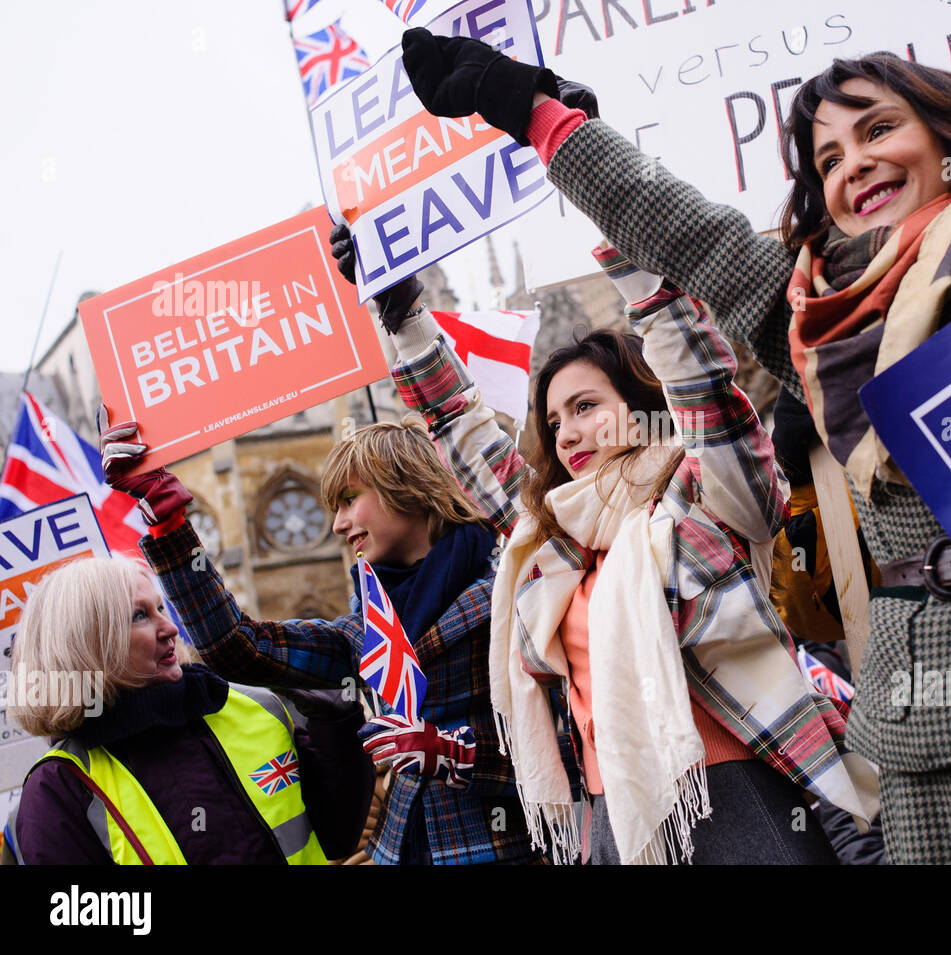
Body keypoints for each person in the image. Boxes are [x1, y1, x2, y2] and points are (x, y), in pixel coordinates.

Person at [398, 32, 951, 862]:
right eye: (827, 156)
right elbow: (696, 237)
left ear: (948, 136)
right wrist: (545, 118)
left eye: (878, 129)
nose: (854, 162)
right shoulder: (829, 329)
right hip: (938, 741)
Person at [328, 229, 876, 864]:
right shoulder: (553, 537)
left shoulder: (702, 496)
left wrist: (624, 240)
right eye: (554, 421)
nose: (566, 432)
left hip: (727, 796)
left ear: (642, 404)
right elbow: (463, 429)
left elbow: (703, 388)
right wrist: (402, 319)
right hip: (610, 817)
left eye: (586, 406)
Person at [100, 409, 536, 865]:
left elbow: (568, 749)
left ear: (409, 486)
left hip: (502, 849)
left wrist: (454, 751)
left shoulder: (507, 595)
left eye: (350, 500)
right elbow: (236, 646)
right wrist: (168, 522)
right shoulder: (367, 627)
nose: (338, 525)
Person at [6, 556, 372, 864]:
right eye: (139, 616)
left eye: (161, 608)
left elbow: (338, 838)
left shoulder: (256, 704)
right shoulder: (61, 787)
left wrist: (336, 728)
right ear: (86, 644)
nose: (169, 628)